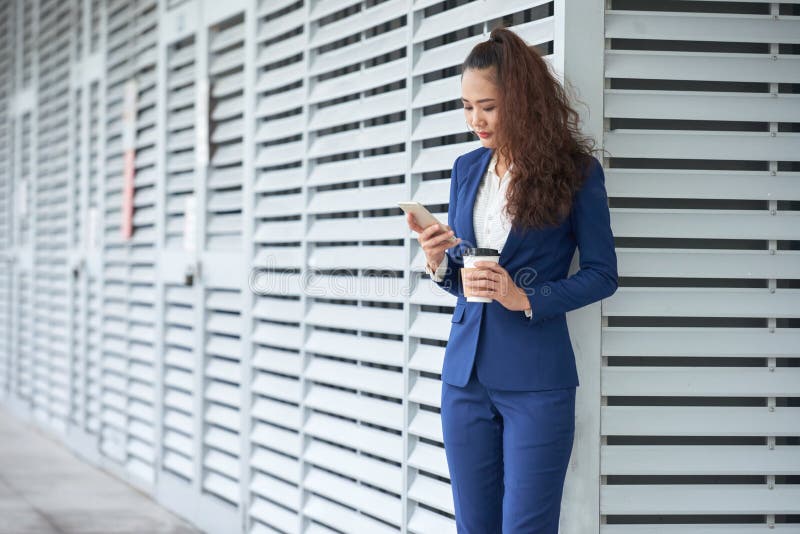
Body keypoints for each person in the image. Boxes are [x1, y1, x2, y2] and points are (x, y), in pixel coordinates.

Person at [404, 27, 618, 533]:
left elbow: (602, 274)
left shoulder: (575, 171)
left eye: (489, 107)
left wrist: (526, 296)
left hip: (536, 383)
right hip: (465, 379)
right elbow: (464, 279)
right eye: (466, 106)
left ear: (521, 102)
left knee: (526, 527)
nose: (475, 120)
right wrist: (438, 263)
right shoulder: (465, 168)